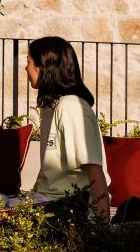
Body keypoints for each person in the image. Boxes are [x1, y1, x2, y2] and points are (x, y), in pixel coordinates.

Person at [27, 36, 111, 222]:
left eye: (29, 61)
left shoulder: (71, 107)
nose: (26, 68)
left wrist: (102, 229)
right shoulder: (51, 107)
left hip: (67, 212)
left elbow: (95, 172)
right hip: (46, 204)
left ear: (43, 67)